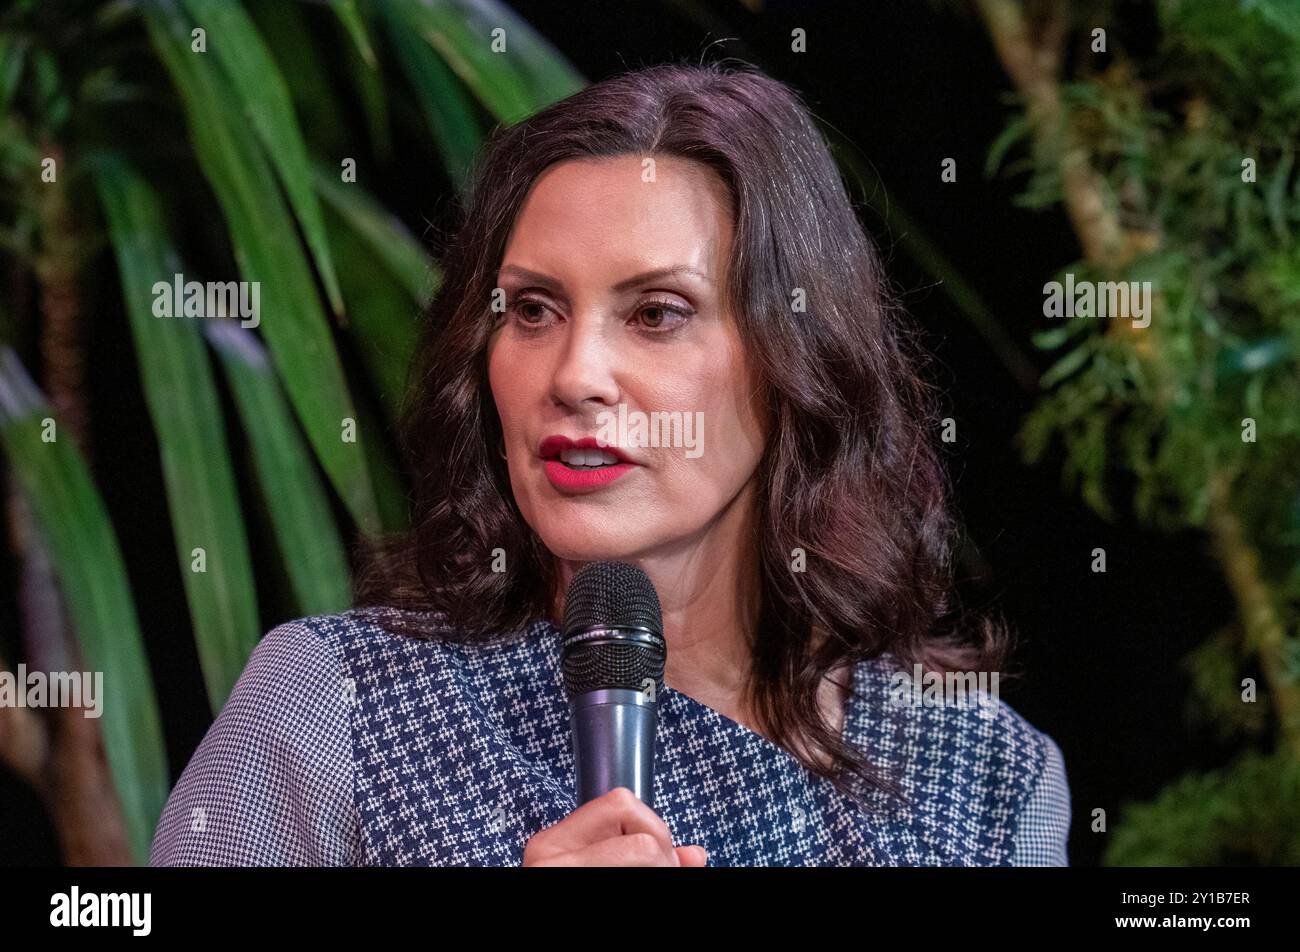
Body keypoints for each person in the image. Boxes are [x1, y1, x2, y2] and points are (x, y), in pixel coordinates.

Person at [150, 59, 1070, 867]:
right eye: (535, 311)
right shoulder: (338, 708)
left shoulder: (981, 781)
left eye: (657, 313)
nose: (576, 377)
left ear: (797, 357)